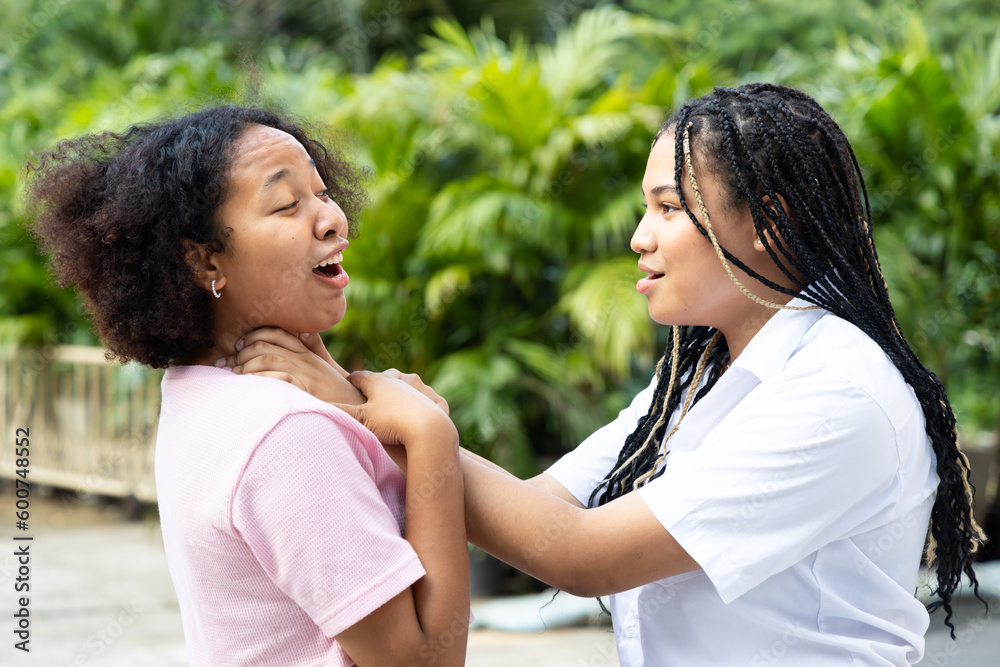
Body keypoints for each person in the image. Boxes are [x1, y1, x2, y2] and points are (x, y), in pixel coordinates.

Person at [220, 83, 987, 666]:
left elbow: (583, 553)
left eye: (668, 208)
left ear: (770, 221)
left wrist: (389, 414)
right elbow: (541, 507)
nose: (638, 237)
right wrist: (393, 423)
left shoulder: (837, 393)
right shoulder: (698, 374)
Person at [25, 105, 470, 667]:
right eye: (286, 204)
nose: (333, 220)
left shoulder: (198, 392)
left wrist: (348, 393)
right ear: (204, 260)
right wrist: (430, 433)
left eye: (322, 192)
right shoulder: (286, 434)